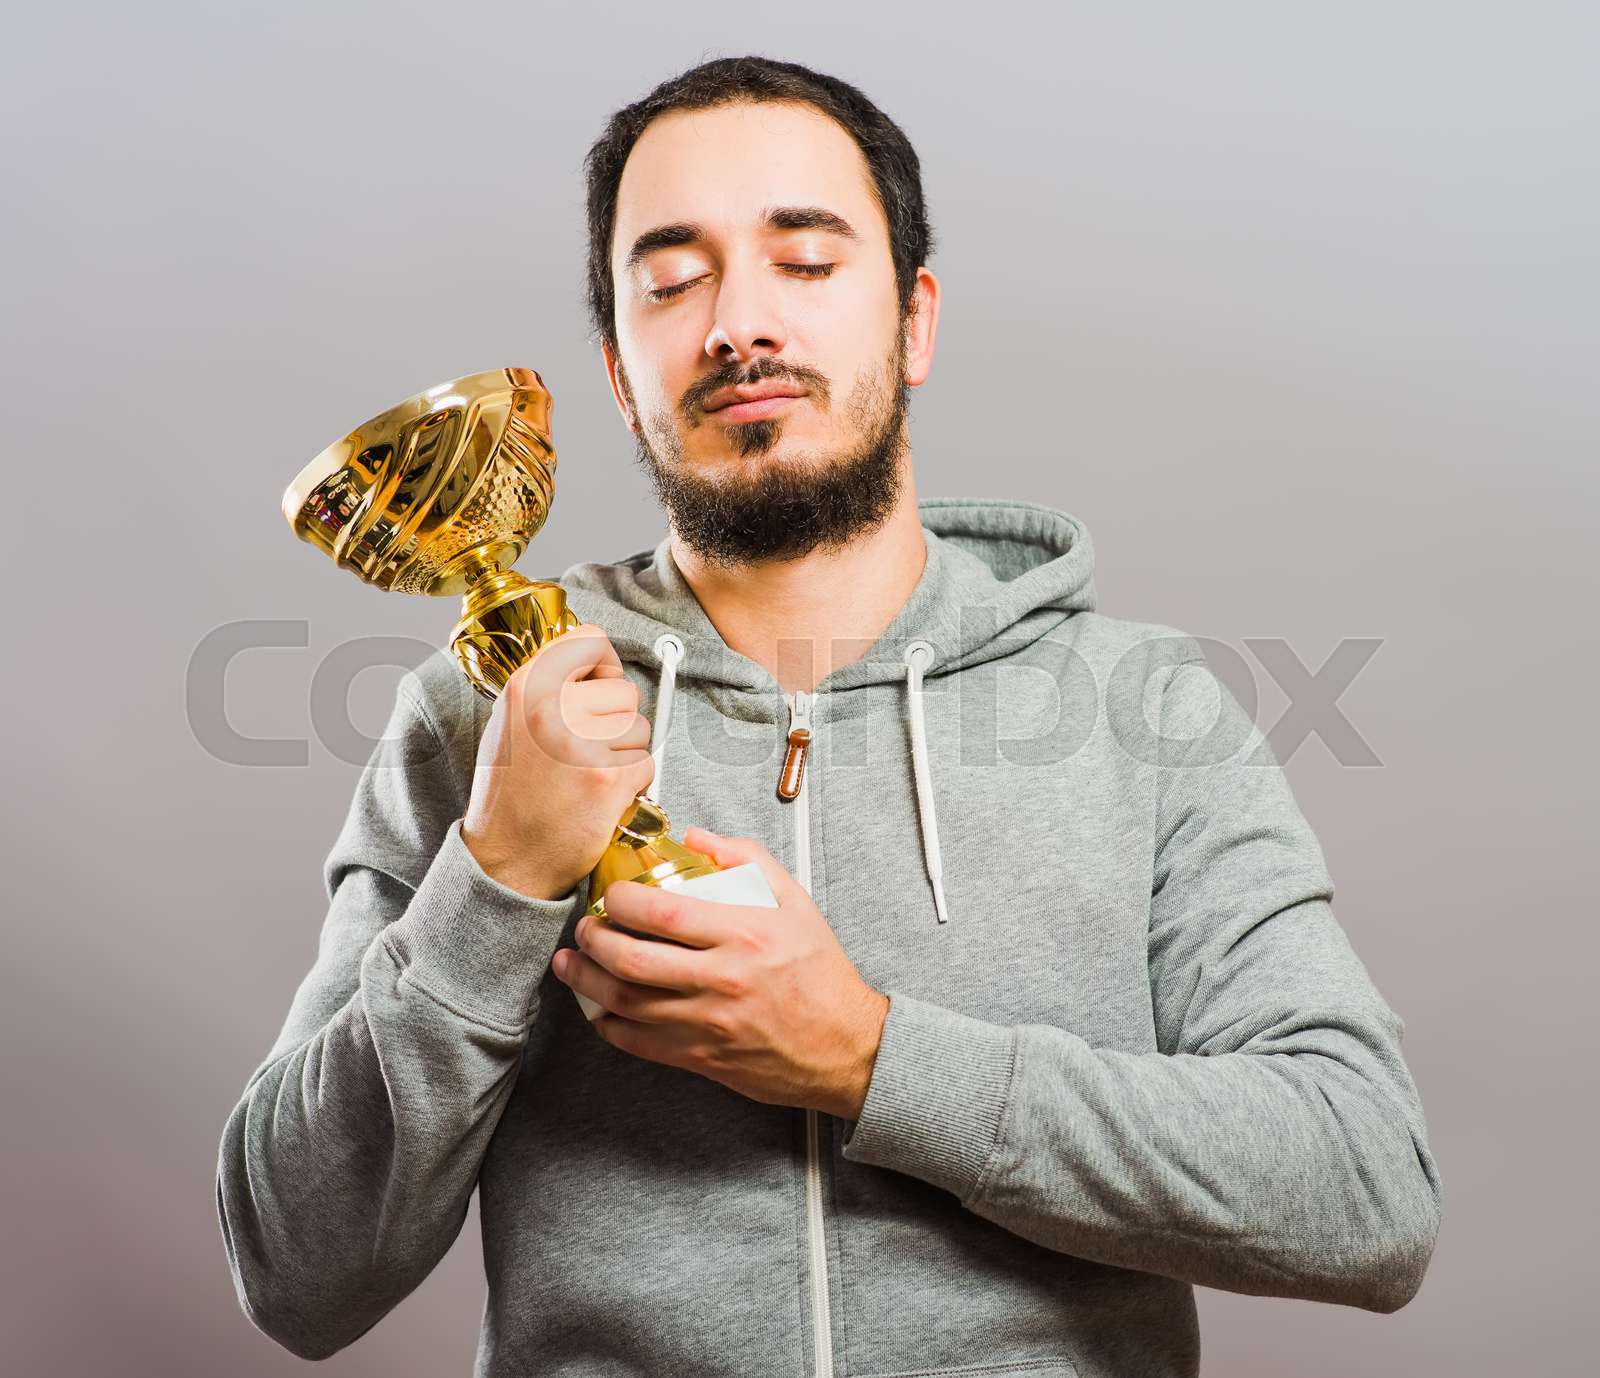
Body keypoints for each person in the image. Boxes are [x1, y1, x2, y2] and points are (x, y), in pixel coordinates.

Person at [217, 55, 1442, 1378]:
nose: (742, 321)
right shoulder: (485, 717)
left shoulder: (1139, 706)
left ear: (915, 322)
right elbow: (297, 1268)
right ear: (619, 376)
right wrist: (498, 877)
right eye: (672, 279)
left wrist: (870, 1056)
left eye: (804, 260)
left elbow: (1367, 1191)